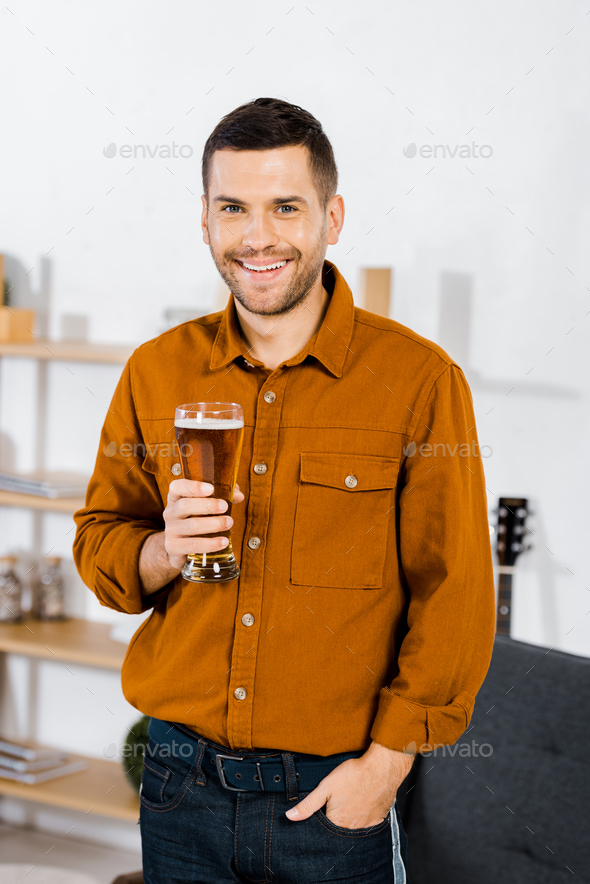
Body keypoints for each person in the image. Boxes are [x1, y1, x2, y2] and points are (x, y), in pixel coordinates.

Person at [73, 97, 496, 884]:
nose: (257, 236)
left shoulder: (420, 381)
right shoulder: (155, 370)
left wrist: (385, 768)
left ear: (332, 217)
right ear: (204, 219)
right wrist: (163, 549)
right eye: (233, 207)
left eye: (286, 207)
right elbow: (100, 541)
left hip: (333, 797)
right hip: (177, 785)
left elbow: (457, 594)